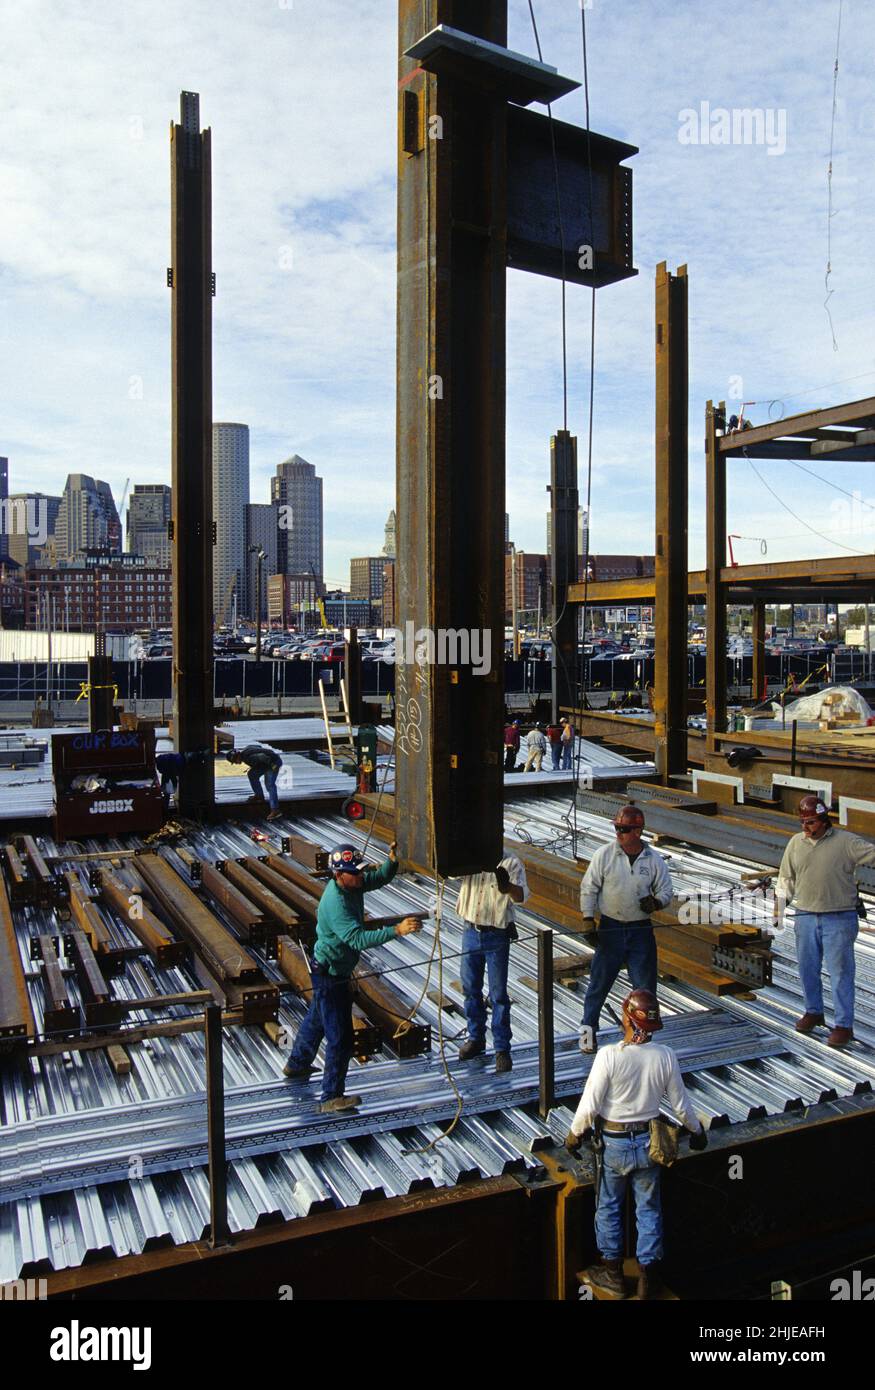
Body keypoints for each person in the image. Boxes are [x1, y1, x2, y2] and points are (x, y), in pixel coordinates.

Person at [565, 989, 707, 1300]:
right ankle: (647, 1280)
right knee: (649, 1209)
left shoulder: (610, 1056)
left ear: (628, 1021)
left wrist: (575, 1134)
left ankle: (613, 1274)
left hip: (613, 1144)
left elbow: (590, 1104)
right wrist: (696, 1132)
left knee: (609, 1207)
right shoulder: (665, 1056)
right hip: (648, 1143)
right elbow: (681, 1106)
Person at [283, 841, 422, 1110]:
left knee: (317, 1020)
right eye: (355, 873)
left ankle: (296, 1064)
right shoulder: (336, 903)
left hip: (332, 969)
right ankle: (331, 1096)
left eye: (360, 871)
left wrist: (392, 860)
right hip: (330, 973)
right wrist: (397, 930)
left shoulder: (352, 883)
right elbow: (357, 939)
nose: (360, 876)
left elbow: (379, 877)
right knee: (341, 1038)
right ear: (338, 875)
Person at [776, 793, 875, 1048]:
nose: (805, 827)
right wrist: (779, 906)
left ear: (823, 820)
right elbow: (786, 877)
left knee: (840, 973)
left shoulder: (846, 842)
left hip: (839, 918)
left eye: (810, 822)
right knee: (807, 968)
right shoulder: (796, 843)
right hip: (806, 916)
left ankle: (843, 1025)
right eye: (802, 822)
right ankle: (813, 1011)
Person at [578, 805, 673, 1052]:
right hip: (611, 928)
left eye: (624, 829)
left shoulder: (653, 861)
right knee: (599, 983)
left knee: (644, 988)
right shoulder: (605, 855)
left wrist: (657, 902)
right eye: (617, 828)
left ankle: (642, 1036)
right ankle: (588, 1033)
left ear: (638, 831)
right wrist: (588, 919)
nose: (619, 832)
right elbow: (589, 887)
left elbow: (666, 891)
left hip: (640, 929)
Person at [456, 853, 529, 1073]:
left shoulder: (511, 863)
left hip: (496, 933)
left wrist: (508, 887)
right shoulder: (470, 858)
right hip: (471, 929)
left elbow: (522, 896)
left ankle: (501, 1049)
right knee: (470, 987)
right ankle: (476, 1038)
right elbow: (448, 871)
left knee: (498, 994)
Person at [228, 743, 284, 820]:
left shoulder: (248, 758)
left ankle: (275, 810)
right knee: (252, 774)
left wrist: (273, 767)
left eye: (235, 761)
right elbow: (258, 747)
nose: (236, 763)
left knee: (270, 785)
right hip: (266, 762)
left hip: (273, 762)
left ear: (236, 757)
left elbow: (263, 757)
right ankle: (259, 796)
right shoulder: (247, 749)